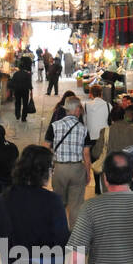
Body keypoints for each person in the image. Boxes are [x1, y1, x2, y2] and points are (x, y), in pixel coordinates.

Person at [45, 97, 92, 227]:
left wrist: (47, 170)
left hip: (59, 169)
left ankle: (58, 233)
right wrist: (88, 173)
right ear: (76, 110)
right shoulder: (83, 129)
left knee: (59, 203)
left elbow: (46, 149)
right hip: (77, 169)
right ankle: (74, 239)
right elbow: (86, 154)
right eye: (80, 109)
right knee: (76, 206)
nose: (81, 112)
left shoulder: (54, 127)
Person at [10, 58, 34, 123]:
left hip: (17, 91)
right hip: (25, 91)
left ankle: (17, 115)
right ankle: (24, 117)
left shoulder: (15, 74)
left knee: (17, 103)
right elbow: (29, 83)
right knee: (25, 104)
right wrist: (31, 91)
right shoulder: (27, 74)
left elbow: (12, 82)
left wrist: (13, 90)